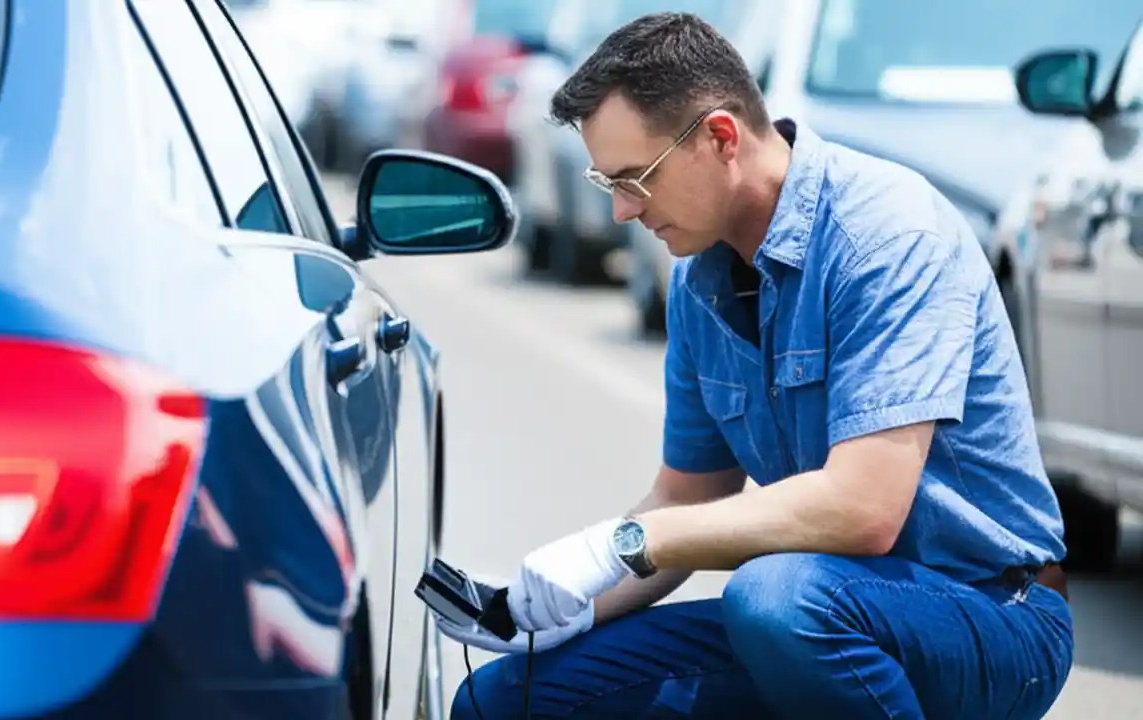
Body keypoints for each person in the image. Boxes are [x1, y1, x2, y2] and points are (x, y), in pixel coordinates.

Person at [436, 12, 1074, 720]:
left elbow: (864, 510)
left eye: (634, 179)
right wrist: (553, 608)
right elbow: (688, 500)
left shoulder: (889, 234)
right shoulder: (697, 280)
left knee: (773, 599)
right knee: (504, 700)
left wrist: (623, 544)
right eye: (604, 182)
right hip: (813, 617)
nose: (619, 211)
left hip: (988, 614)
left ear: (719, 137)